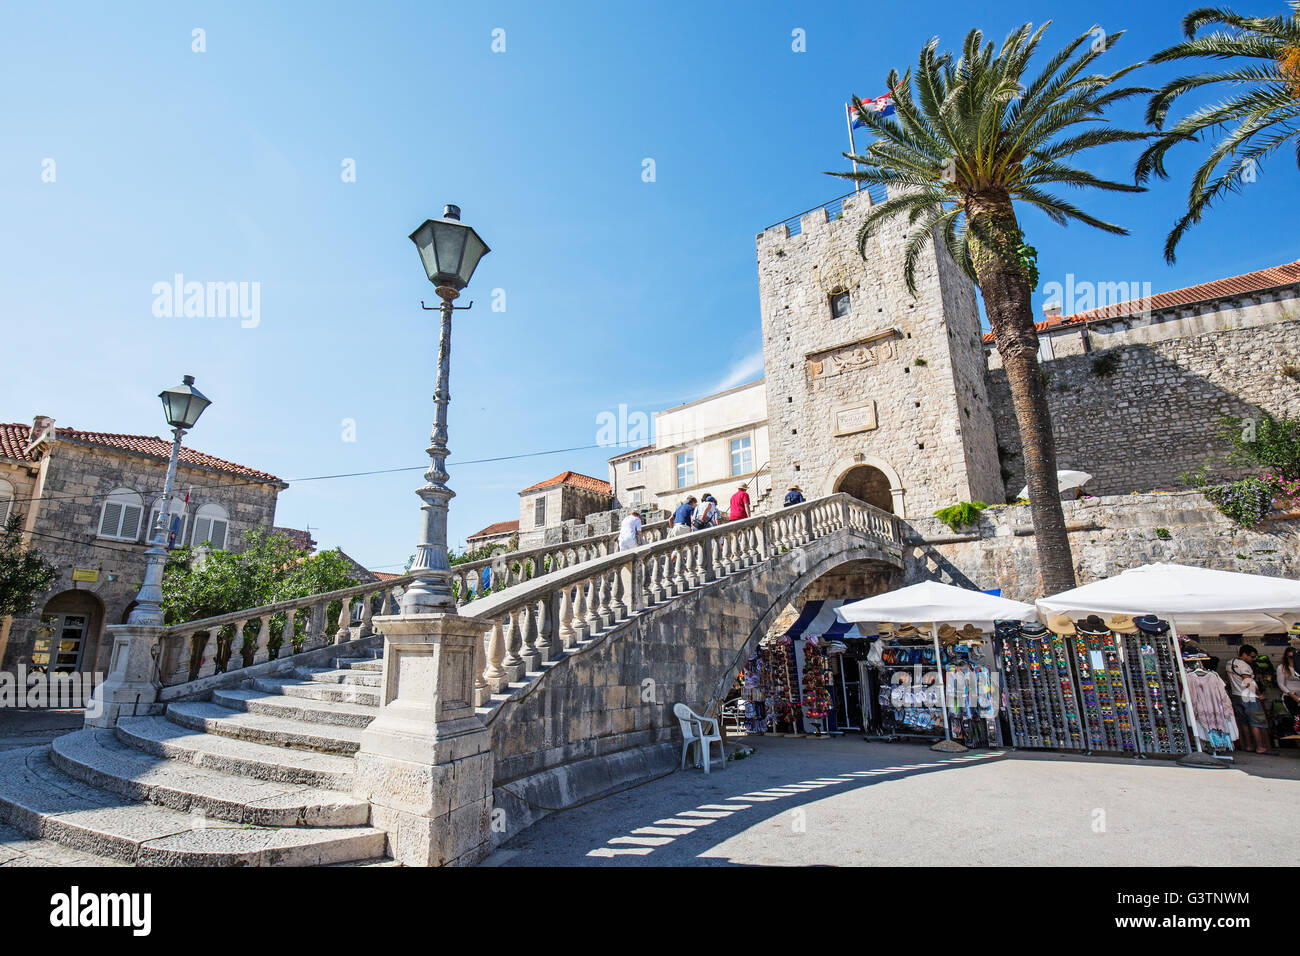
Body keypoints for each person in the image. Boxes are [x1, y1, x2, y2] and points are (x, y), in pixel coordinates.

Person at [1227, 645, 1270, 754]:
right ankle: (1260, 747)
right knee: (1257, 723)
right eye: (1252, 656)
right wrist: (1259, 694)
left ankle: (1249, 745)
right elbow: (1248, 683)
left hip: (1236, 696)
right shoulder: (1244, 666)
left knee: (1244, 722)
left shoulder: (1229, 663)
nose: (1253, 659)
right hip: (1249, 697)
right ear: (1244, 654)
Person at [1278, 646, 1300, 729]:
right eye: (1291, 657)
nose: (1293, 659)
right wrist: (1292, 695)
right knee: (1297, 718)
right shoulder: (1282, 667)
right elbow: (1281, 684)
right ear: (1286, 657)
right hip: (1290, 696)